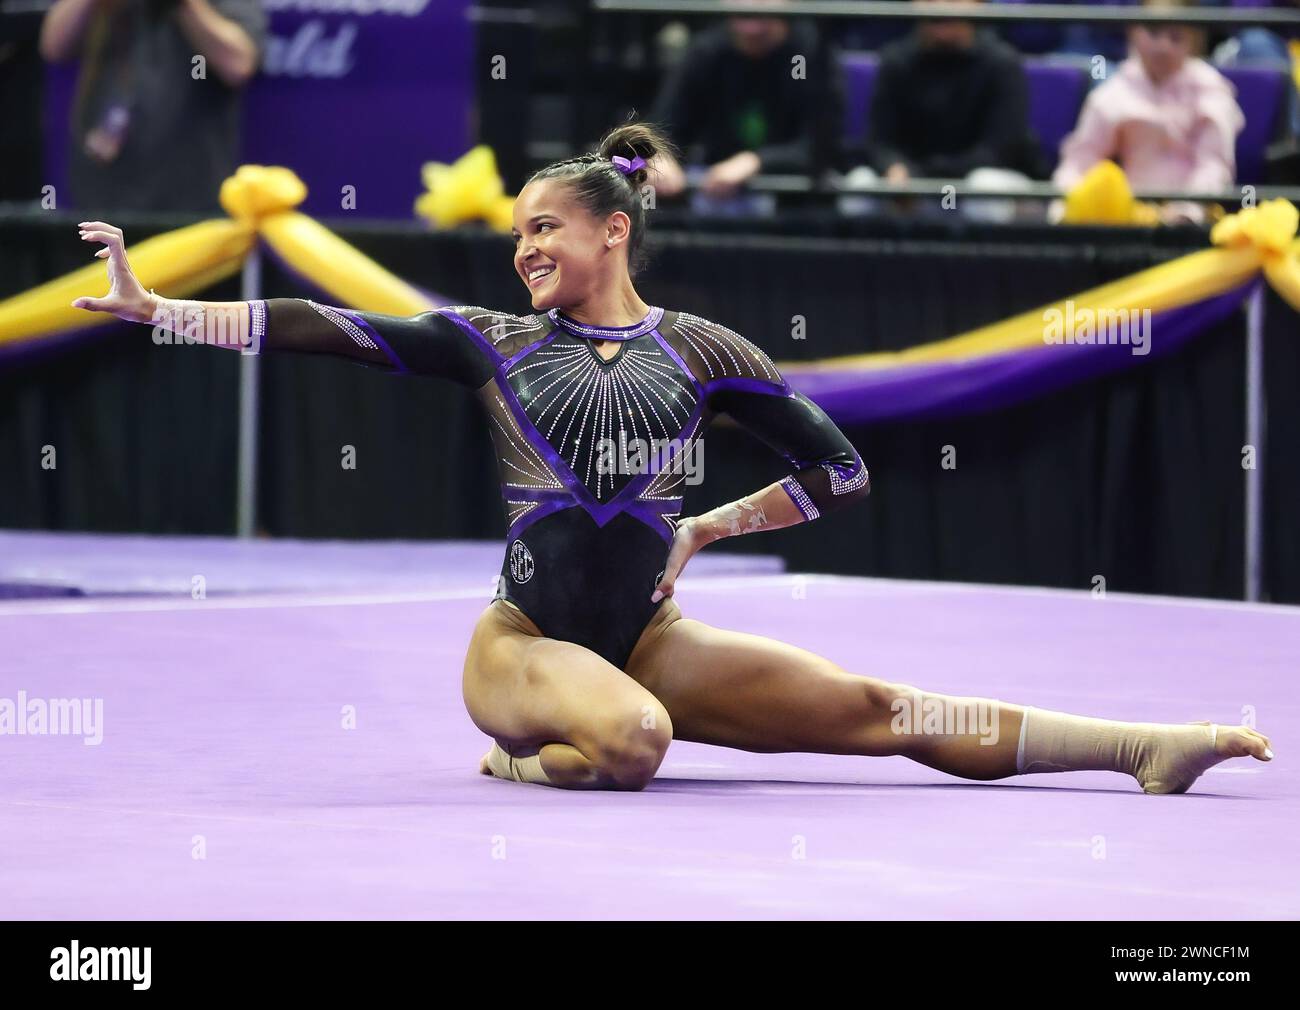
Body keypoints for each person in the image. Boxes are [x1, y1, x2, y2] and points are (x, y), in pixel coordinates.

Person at [70, 122, 1274, 793]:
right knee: (636, 740)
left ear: (612, 229)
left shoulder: (705, 350)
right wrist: (158, 309)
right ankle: (524, 753)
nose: (524, 247)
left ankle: (1135, 745)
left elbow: (840, 470)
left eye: (544, 225)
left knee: (877, 708)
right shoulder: (488, 343)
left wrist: (705, 527)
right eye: (516, 231)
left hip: (648, 638)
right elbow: (320, 329)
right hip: (526, 646)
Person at [40, 0, 266, 214]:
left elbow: (238, 65)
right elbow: (54, 46)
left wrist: (184, 5)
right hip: (103, 199)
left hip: (188, 203)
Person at [842, 0, 1044, 221]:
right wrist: (894, 167)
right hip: (908, 183)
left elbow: (999, 150)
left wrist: (923, 177)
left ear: (977, 5)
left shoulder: (1003, 64)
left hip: (971, 179)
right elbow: (879, 140)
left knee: (985, 186)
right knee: (859, 186)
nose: (941, 6)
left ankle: (984, 256)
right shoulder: (894, 60)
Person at [1053, 0, 1246, 224]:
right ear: (1134, 33)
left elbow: (1213, 165)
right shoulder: (1115, 89)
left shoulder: (1211, 89)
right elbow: (1081, 159)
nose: (1162, 46)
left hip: (1197, 221)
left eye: (1175, 37)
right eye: (1153, 33)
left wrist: (1187, 211)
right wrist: (1064, 205)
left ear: (1192, 41)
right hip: (1132, 219)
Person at [648, 15, 843, 206]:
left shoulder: (808, 54)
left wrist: (756, 162)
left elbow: (820, 146)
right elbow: (659, 127)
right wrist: (659, 156)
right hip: (712, 187)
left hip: (791, 195)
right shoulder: (706, 51)